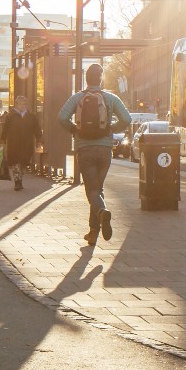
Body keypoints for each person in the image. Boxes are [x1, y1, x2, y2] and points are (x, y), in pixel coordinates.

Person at [59, 65, 133, 245]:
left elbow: (62, 117)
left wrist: (75, 130)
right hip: (105, 149)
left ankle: (101, 213)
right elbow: (127, 119)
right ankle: (93, 232)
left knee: (92, 189)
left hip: (85, 148)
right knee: (98, 188)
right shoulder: (110, 98)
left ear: (86, 78)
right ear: (100, 79)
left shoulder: (77, 98)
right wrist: (110, 129)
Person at [1, 103, 42, 191]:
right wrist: (3, 139)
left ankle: (20, 179)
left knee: (24, 163)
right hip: (14, 144)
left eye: (24, 104)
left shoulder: (31, 116)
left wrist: (39, 139)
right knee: (16, 163)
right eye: (20, 104)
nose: (22, 106)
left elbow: (37, 128)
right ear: (17, 105)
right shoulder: (10, 116)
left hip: (27, 144)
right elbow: (5, 128)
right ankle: (17, 182)